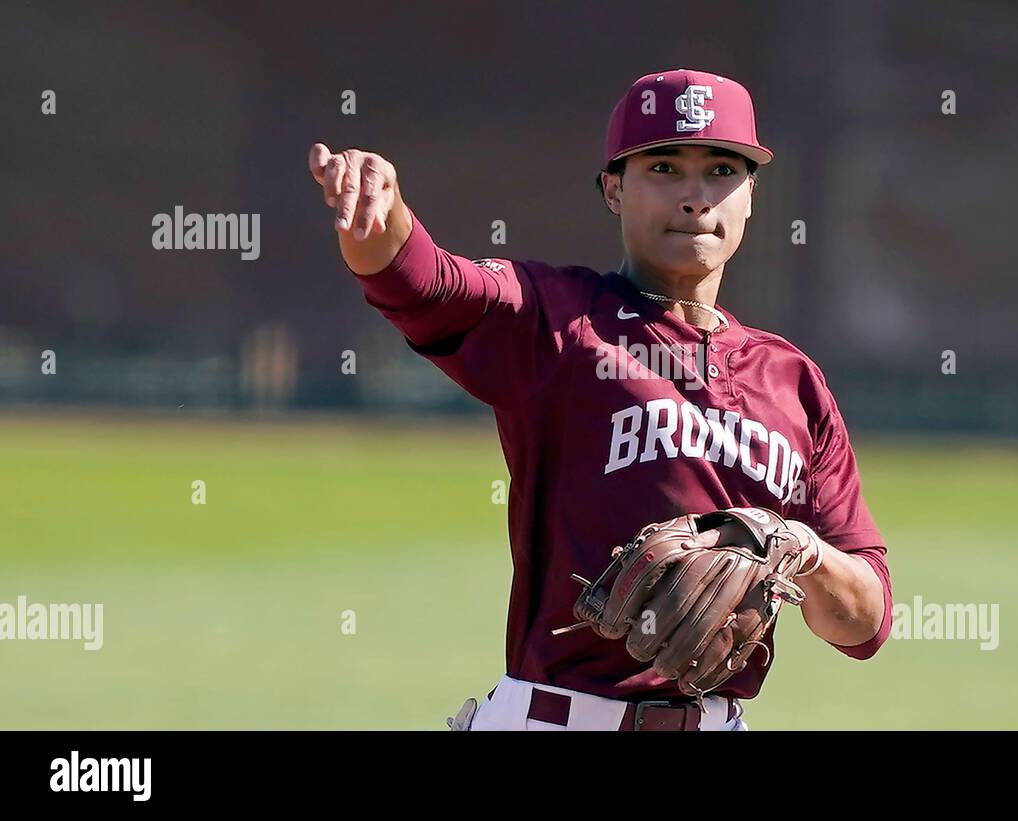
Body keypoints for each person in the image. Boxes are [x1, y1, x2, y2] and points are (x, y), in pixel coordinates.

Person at [306, 68, 892, 731]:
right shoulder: (558, 319)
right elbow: (425, 282)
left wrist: (800, 547)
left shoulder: (794, 381)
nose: (696, 197)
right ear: (614, 189)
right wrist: (378, 218)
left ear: (751, 195)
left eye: (722, 170)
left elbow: (865, 624)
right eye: (665, 167)